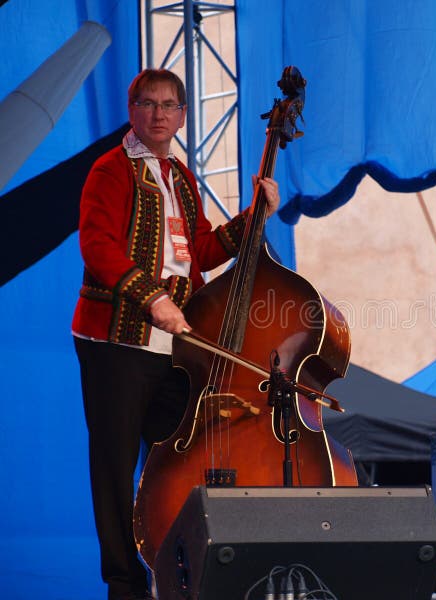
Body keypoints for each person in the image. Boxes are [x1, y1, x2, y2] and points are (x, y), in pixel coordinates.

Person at [72, 69, 280, 600]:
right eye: (148, 104)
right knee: (115, 467)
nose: (159, 114)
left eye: (169, 105)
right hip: (117, 343)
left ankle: (178, 574)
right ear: (132, 110)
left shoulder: (181, 177)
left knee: (177, 462)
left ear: (183, 117)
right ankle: (125, 586)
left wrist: (252, 217)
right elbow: (97, 245)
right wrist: (151, 298)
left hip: (173, 347)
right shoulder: (110, 170)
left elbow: (202, 251)